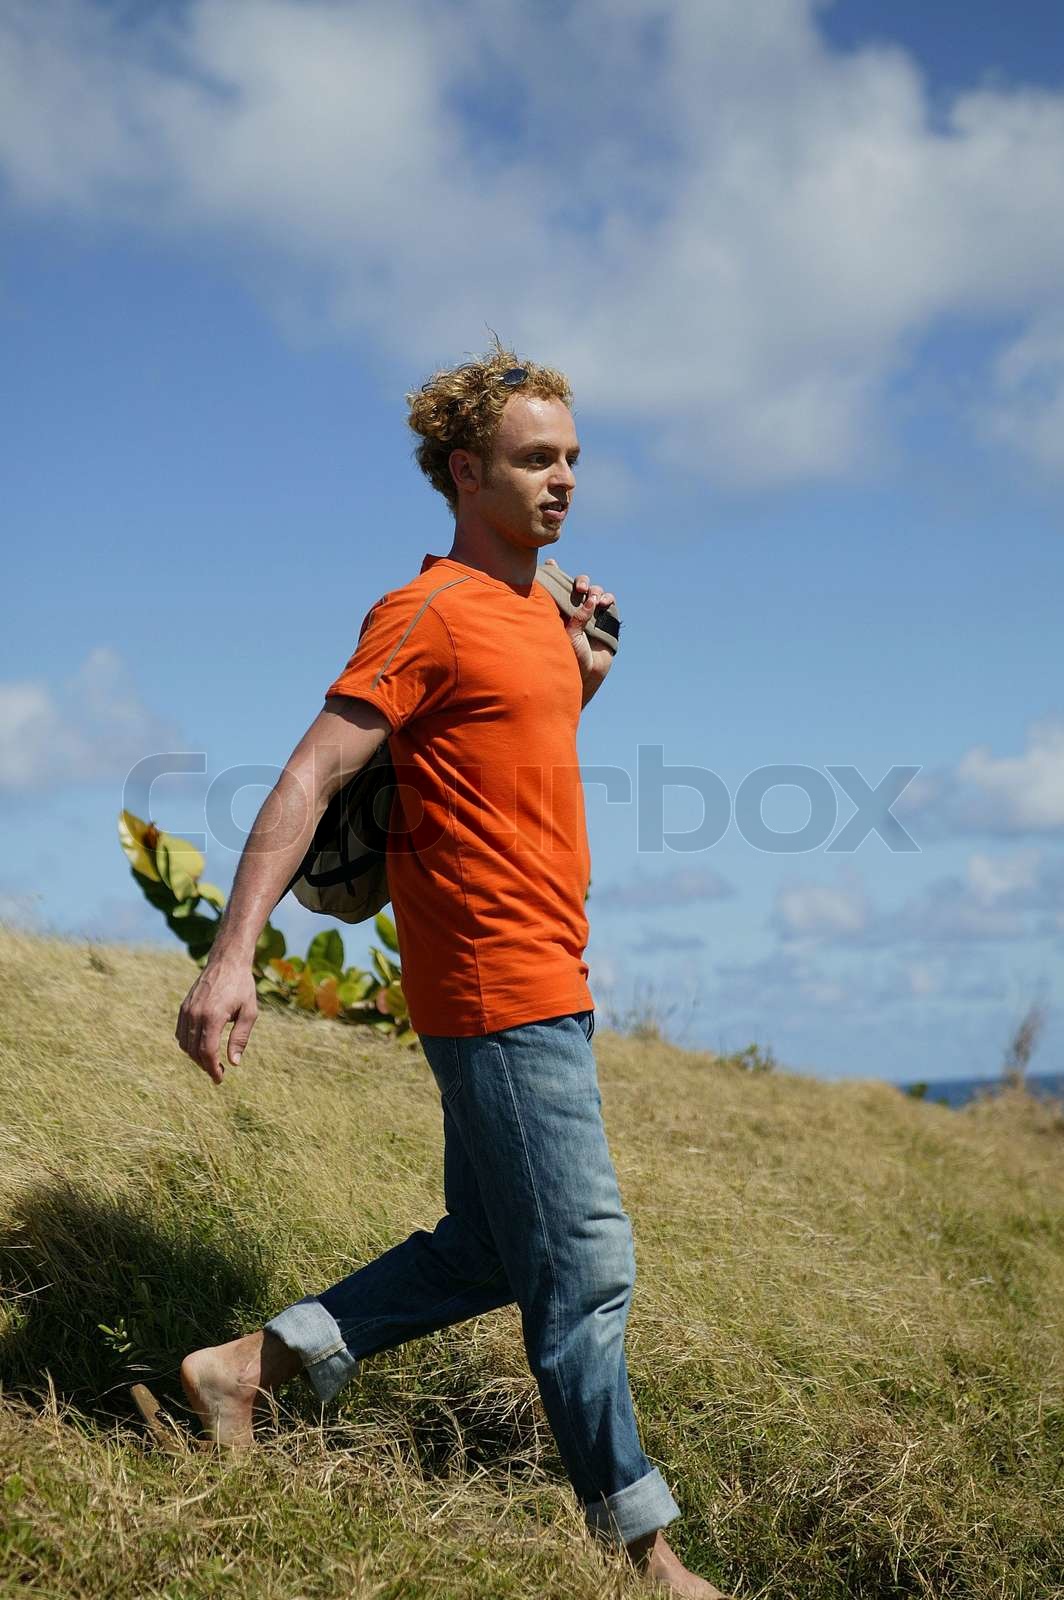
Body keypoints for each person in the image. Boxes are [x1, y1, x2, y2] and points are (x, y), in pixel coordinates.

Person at [175, 345, 730, 1598]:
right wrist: (230, 956)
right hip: (493, 986)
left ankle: (239, 1371)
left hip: (551, 974)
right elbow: (312, 770)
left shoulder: (542, 614)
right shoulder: (423, 611)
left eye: (572, 457)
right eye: (535, 458)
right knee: (584, 1267)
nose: (564, 479)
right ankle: (641, 1551)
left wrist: (581, 679)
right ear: (464, 470)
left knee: (488, 1248)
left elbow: (500, 764)